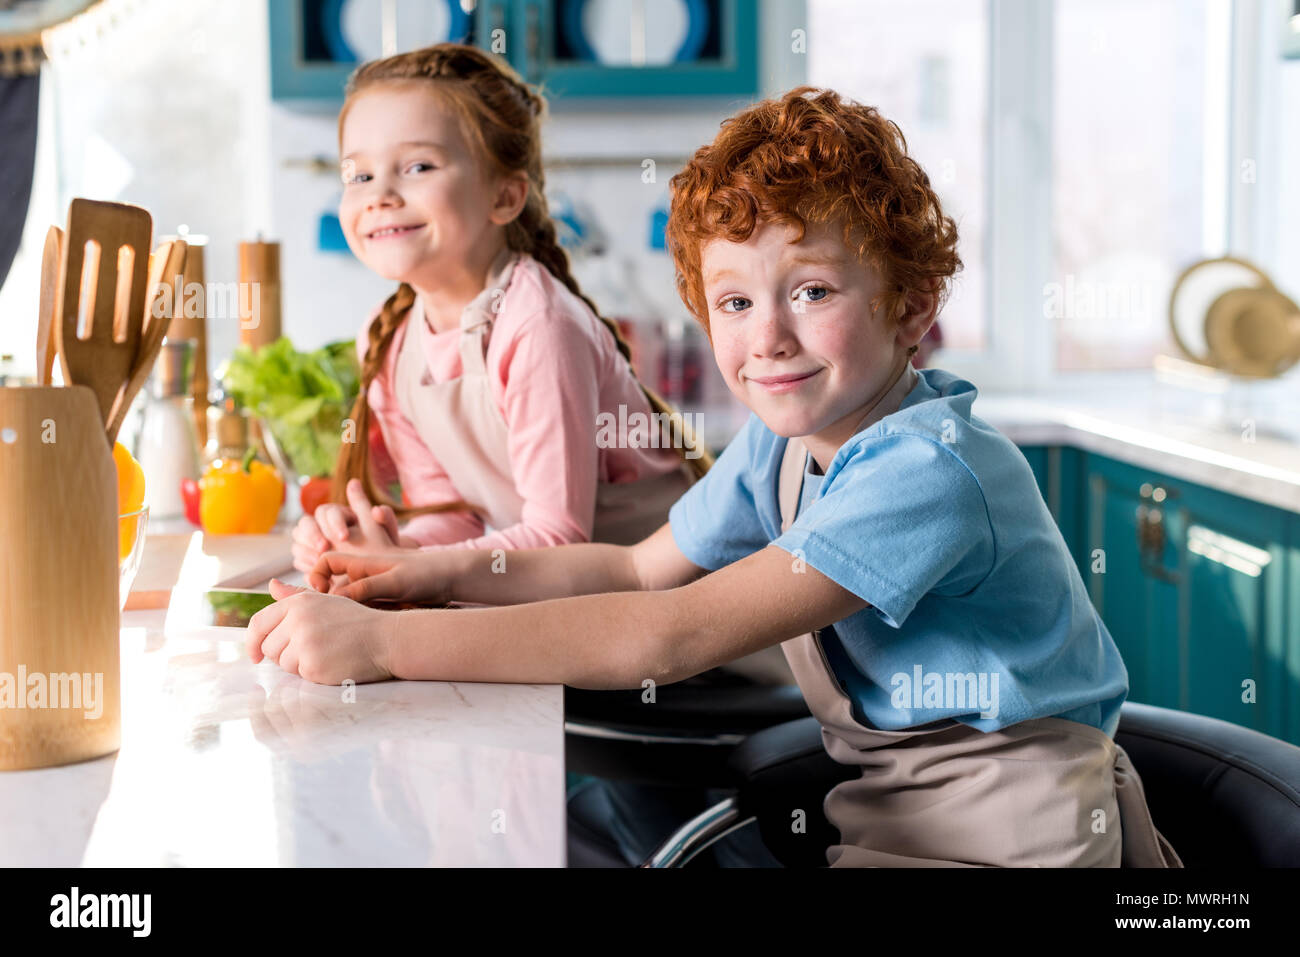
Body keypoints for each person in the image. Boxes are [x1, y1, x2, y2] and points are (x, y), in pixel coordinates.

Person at [249, 86, 1182, 868]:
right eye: (734, 300)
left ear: (911, 305)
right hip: (890, 821)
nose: (767, 335)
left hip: (1012, 839)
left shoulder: (927, 470)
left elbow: (669, 633)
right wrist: (428, 577)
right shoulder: (783, 445)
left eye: (811, 291)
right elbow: (631, 570)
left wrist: (380, 647)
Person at [290, 42, 705, 575]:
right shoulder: (388, 336)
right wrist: (382, 550)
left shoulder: (536, 325)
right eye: (360, 175)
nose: (380, 195)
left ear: (504, 198)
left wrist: (405, 568)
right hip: (571, 599)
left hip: (668, 610)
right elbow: (452, 515)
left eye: (418, 166)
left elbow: (559, 537)